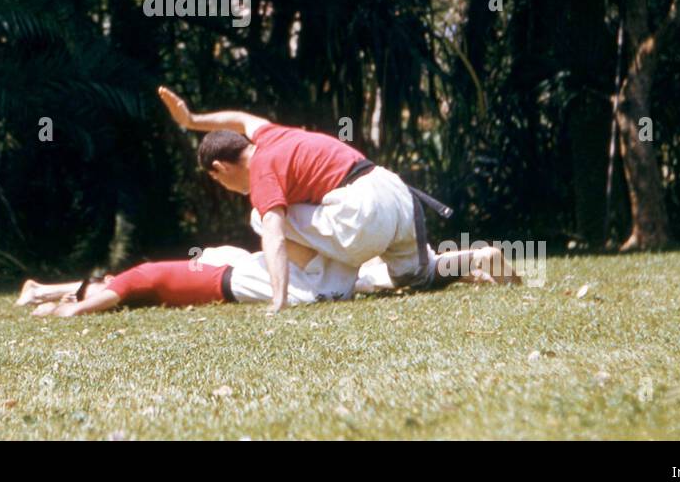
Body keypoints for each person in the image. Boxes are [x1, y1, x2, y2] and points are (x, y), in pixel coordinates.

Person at [158, 86, 517, 313]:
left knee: (262, 217)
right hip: (395, 190)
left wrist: (278, 299)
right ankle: (479, 257)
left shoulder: (263, 172)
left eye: (217, 182)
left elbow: (273, 235)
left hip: (360, 209)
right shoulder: (270, 135)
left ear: (219, 168)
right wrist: (191, 120)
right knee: (417, 276)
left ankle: (315, 283)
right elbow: (240, 118)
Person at [24, 242, 358, 317]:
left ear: (108, 277)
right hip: (229, 270)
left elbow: (76, 312)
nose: (87, 294)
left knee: (322, 292)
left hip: (235, 277)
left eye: (87, 289)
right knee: (326, 281)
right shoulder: (133, 282)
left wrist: (52, 307)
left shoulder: (127, 280)